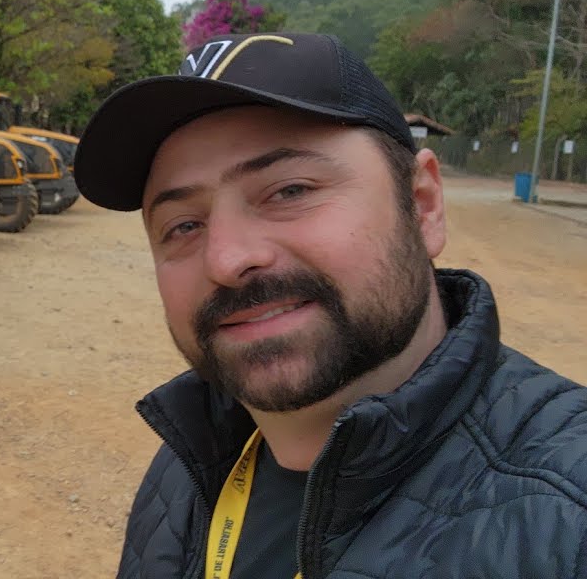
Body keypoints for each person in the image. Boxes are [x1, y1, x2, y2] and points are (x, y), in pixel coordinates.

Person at [72, 32, 587, 578]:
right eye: (183, 225)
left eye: (290, 190)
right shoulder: (186, 471)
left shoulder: (566, 516)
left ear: (423, 205)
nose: (226, 259)